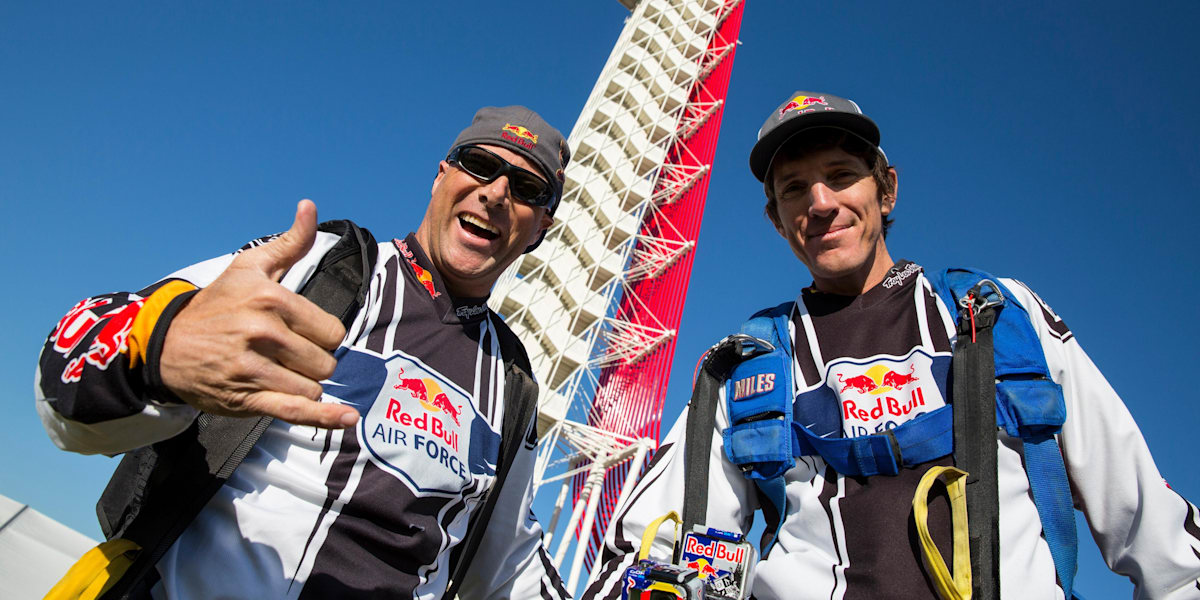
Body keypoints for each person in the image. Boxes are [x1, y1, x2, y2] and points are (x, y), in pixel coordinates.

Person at [583, 92, 1200, 599]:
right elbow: (658, 547)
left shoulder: (1000, 318)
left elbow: (1157, 536)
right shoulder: (747, 364)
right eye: (795, 189)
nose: (821, 203)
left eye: (841, 176)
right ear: (776, 219)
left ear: (886, 189)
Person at [37, 105, 575, 599]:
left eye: (527, 187)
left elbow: (508, 567)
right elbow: (69, 373)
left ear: (542, 228)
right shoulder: (318, 264)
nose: (497, 192)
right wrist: (159, 354)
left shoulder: (511, 384)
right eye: (479, 163)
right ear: (440, 175)